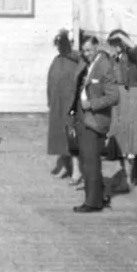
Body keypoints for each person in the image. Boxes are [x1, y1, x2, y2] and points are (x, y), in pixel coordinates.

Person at [73, 33, 119, 213]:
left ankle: (93, 202)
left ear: (97, 47)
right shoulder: (89, 64)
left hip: (94, 119)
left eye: (89, 50)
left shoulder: (104, 65)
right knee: (87, 160)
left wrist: (91, 104)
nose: (86, 54)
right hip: (84, 118)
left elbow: (113, 96)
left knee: (91, 162)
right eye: (83, 51)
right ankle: (99, 195)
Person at [107, 28, 137, 188]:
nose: (114, 47)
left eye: (117, 44)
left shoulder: (131, 55)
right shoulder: (114, 59)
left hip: (132, 98)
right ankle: (126, 175)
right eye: (113, 44)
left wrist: (122, 36)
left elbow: (136, 48)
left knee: (131, 138)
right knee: (122, 137)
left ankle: (129, 178)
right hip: (120, 100)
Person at [46, 29, 82, 181]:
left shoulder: (76, 61)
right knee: (60, 136)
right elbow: (50, 81)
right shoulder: (57, 60)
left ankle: (77, 171)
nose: (60, 48)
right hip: (57, 104)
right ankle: (65, 166)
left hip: (71, 105)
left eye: (62, 45)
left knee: (72, 137)